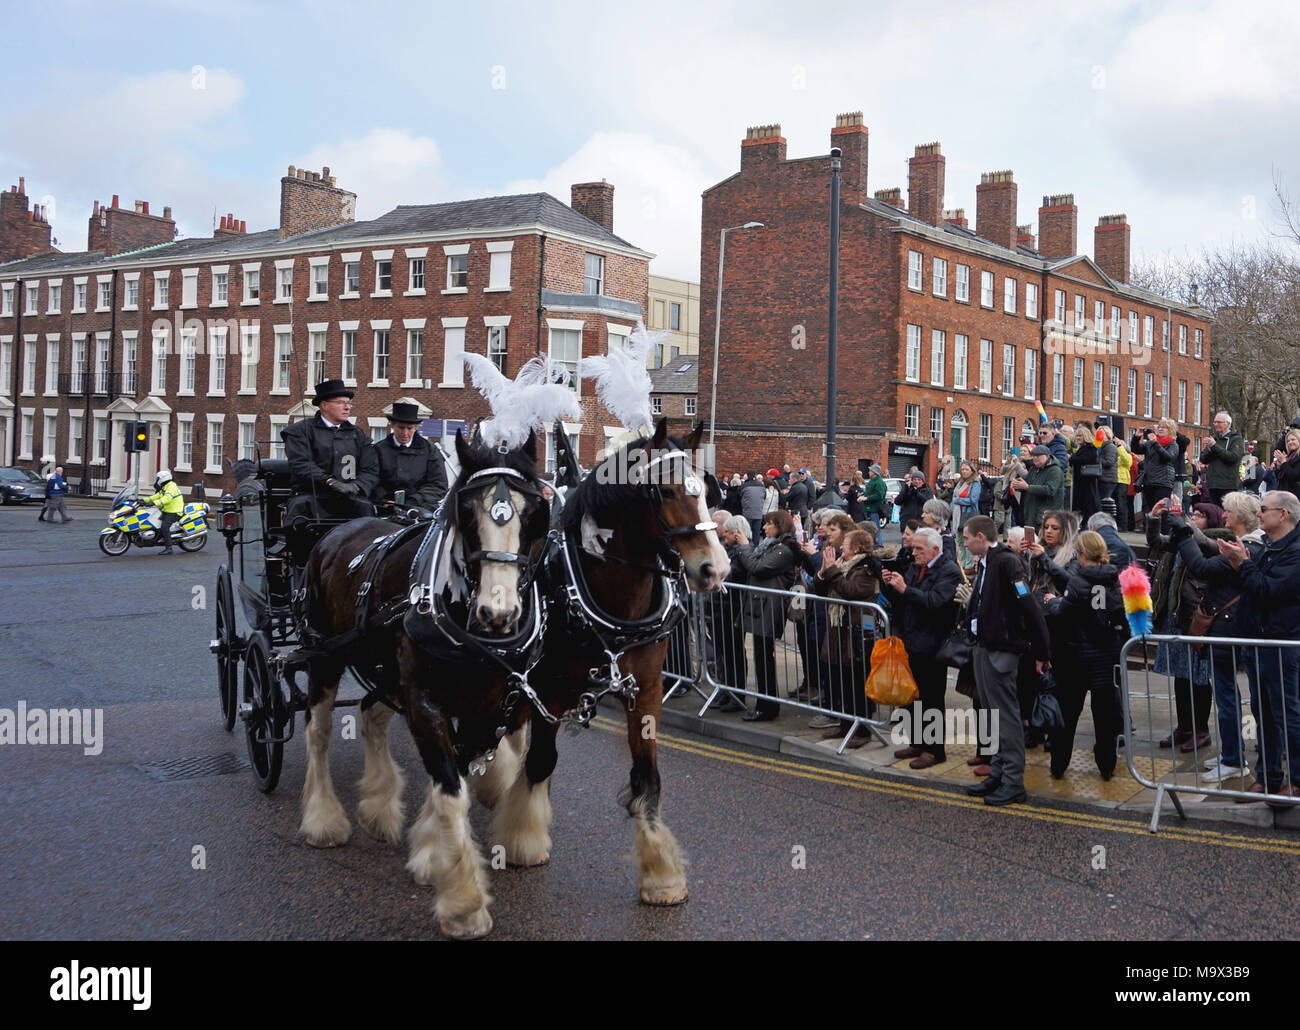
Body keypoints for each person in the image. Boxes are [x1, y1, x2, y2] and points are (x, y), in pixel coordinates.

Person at [1169, 491, 1264, 782]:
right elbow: (1208, 546)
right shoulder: (1247, 544)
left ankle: (1235, 760)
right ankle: (1231, 755)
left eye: (1229, 512)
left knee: (1227, 698)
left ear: (1240, 517)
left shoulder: (1246, 549)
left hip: (1227, 631)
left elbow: (1202, 567)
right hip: (1232, 629)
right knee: (1232, 697)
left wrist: (1183, 530)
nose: (1224, 516)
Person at [961, 516, 1051, 807]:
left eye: (966, 537)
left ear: (980, 536)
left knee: (1006, 718)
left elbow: (1029, 606)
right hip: (984, 647)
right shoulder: (986, 562)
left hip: (1001, 649)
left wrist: (1042, 651)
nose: (963, 541)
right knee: (992, 715)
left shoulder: (1007, 563)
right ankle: (999, 774)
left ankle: (1013, 782)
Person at [1217, 491, 1300, 802]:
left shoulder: (1294, 552)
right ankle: (1267, 777)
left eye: (1264, 509)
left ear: (1284, 515)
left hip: (1281, 645)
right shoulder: (1268, 546)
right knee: (1262, 714)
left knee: (1287, 715)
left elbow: (1269, 591)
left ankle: (1297, 780)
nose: (1259, 514)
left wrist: (1242, 564)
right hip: (1257, 641)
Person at [1040, 530, 1126, 780]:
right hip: (1106, 656)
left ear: (1081, 554)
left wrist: (1052, 601)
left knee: (1068, 713)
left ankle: (1059, 764)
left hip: (1076, 657)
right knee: (1105, 717)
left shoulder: (1078, 582)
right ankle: (1106, 766)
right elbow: (1120, 614)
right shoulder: (1115, 580)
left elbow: (1064, 612)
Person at [882, 527, 962, 769]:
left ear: (935, 550)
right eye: (913, 547)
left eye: (919, 549)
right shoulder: (916, 566)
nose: (913, 552)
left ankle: (935, 750)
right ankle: (917, 742)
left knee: (932, 698)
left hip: (933, 644)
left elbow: (935, 602)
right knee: (912, 696)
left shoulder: (948, 571)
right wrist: (890, 585)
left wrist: (905, 589)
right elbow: (903, 600)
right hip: (912, 640)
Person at [1146, 497, 1219, 754]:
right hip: (1175, 616)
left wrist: (1186, 528)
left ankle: (1201, 730)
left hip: (1196, 618)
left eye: (1200, 514)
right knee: (1180, 674)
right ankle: (1184, 726)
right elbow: (1157, 543)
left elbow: (1201, 549)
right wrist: (1154, 519)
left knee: (1198, 677)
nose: (1194, 517)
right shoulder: (1184, 538)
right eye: (1193, 513)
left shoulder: (1215, 541)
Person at [281, 380, 379, 557]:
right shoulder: (299, 432)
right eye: (341, 402)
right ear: (324, 405)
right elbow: (301, 464)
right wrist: (329, 481)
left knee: (368, 513)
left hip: (349, 497)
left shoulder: (358, 435)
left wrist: (356, 486)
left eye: (348, 403)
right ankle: (300, 565)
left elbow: (371, 469)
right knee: (299, 514)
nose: (347, 407)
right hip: (312, 497)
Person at [812, 528, 881, 748]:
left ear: (858, 548)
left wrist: (832, 571)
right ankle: (845, 724)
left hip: (856, 632)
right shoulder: (841, 565)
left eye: (846, 543)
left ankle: (861, 730)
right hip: (838, 630)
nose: (841, 546)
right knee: (841, 680)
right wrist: (823, 572)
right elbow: (821, 590)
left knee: (856, 682)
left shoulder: (866, 568)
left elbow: (851, 591)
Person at [734, 509, 801, 722]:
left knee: (765, 659)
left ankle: (768, 706)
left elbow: (757, 567)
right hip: (760, 607)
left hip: (770, 609)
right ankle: (764, 704)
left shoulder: (784, 550)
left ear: (779, 525)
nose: (764, 528)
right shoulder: (773, 546)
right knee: (762, 658)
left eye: (769, 524)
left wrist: (745, 545)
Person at [371, 401, 448, 512]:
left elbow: (438, 484)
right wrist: (384, 500)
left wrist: (414, 500)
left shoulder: (429, 450)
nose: (405, 433)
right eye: (401, 428)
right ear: (392, 425)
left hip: (421, 507)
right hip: (386, 507)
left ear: (415, 427)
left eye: (410, 428)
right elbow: (372, 479)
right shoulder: (378, 449)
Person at [1131, 417, 1181, 551]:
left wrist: (1155, 443)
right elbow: (1135, 449)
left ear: (1170, 430)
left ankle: (1164, 537)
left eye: (1163, 427)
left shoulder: (1173, 444)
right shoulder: (1150, 444)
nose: (1159, 429)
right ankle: (1151, 538)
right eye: (1159, 427)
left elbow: (1168, 458)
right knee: (1148, 510)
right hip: (1149, 481)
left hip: (1164, 482)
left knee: (1163, 510)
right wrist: (1136, 437)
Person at [1198, 412, 1245, 506]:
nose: (1215, 424)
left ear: (1228, 424)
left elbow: (1233, 457)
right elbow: (1203, 459)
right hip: (1213, 484)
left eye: (1218, 422)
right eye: (1214, 422)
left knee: (1226, 513)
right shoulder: (1214, 438)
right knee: (1214, 514)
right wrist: (1209, 448)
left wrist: (1214, 446)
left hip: (1228, 485)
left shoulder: (1236, 439)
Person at [1014, 445, 1064, 529]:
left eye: (1038, 456)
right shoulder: (1034, 469)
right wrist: (1017, 483)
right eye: (1033, 456)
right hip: (1031, 515)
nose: (1035, 458)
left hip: (1046, 518)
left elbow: (1050, 490)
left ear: (1047, 456)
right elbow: (1025, 481)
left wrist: (1027, 487)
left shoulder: (1055, 470)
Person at [1068, 420, 1103, 522]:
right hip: (1081, 481)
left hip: (1086, 482)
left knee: (1087, 506)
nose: (1078, 438)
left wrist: (1071, 458)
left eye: (1080, 436)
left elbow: (1084, 459)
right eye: (1077, 436)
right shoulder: (1083, 448)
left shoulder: (1090, 448)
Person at [146, 469, 184, 554]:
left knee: (164, 527)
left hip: (174, 511)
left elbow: (166, 499)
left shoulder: (171, 487)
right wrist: (144, 500)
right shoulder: (166, 486)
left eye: (158, 478)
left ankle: (169, 548)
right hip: (167, 510)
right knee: (155, 523)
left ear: (163, 478)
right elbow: (158, 495)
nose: (157, 480)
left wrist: (153, 503)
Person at [950, 461, 982, 531]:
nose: (964, 471)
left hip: (968, 514)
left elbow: (973, 500)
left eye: (966, 469)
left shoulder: (975, 483)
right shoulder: (960, 482)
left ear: (972, 471)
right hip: (957, 512)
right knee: (957, 537)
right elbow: (954, 497)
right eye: (962, 469)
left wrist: (957, 500)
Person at [737, 471, 767, 543]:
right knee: (756, 532)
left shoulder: (743, 486)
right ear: (755, 476)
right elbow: (764, 497)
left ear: (747, 476)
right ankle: (755, 547)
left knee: (747, 532)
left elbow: (738, 497)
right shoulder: (761, 486)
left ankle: (747, 546)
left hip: (747, 512)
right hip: (758, 512)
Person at [1272, 429, 1300, 501]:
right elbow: (1279, 477)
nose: (1290, 442)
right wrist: (1278, 467)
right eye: (1288, 441)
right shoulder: (1290, 456)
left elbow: (1294, 476)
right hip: (1285, 495)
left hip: (1295, 497)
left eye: (1293, 439)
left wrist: (1284, 463)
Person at [862, 464, 888, 530]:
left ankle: (878, 541)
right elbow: (869, 492)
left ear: (875, 472)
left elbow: (879, 495)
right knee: (871, 530)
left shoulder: (879, 482)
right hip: (869, 509)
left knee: (875, 530)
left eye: (870, 471)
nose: (868, 472)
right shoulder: (872, 481)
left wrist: (866, 498)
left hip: (875, 510)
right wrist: (862, 496)